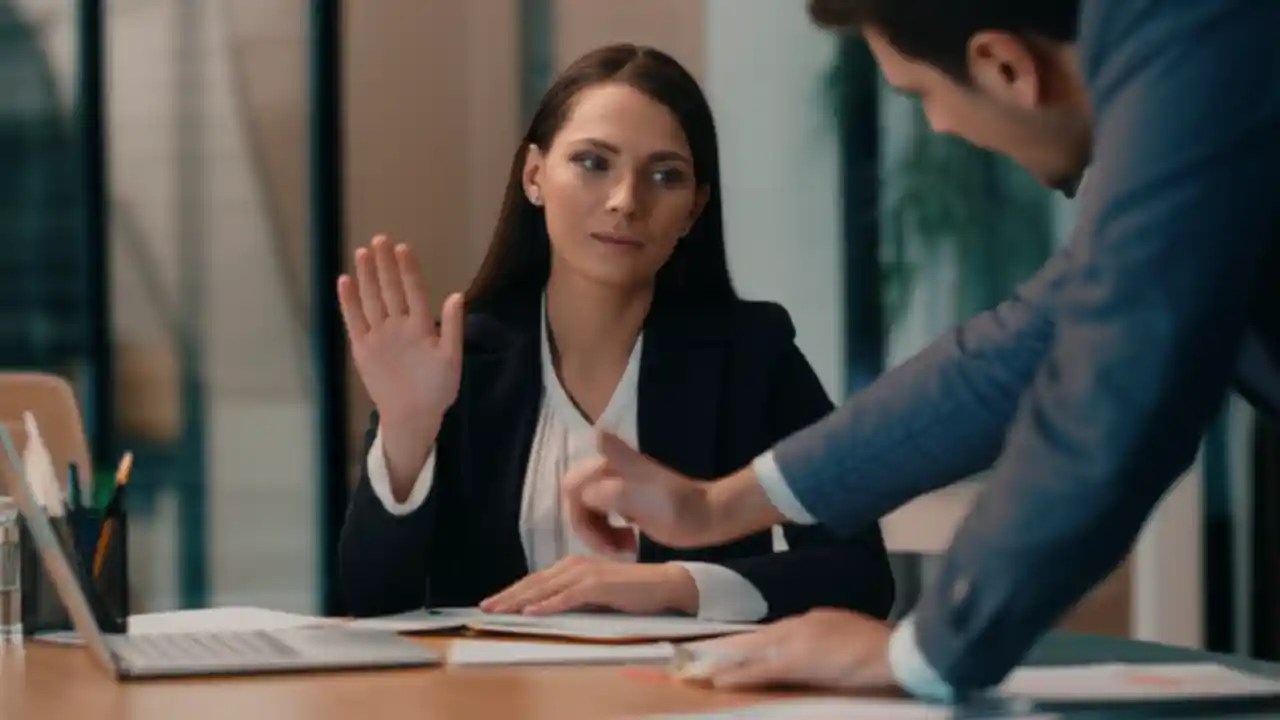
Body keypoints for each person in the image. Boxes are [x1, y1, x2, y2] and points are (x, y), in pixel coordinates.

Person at [563, 0, 1280, 701]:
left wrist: (925, 650)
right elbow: (1031, 347)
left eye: (919, 95)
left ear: (1002, 65)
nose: (937, 126)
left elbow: (1121, 377)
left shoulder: (1194, 26)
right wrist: (716, 507)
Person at [335, 44, 895, 624]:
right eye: (593, 163)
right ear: (534, 175)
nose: (626, 201)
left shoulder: (752, 356)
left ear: (694, 209)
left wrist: (673, 586)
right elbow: (370, 601)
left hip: (683, 681)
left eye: (665, 176)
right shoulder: (456, 363)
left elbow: (860, 576)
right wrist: (407, 430)